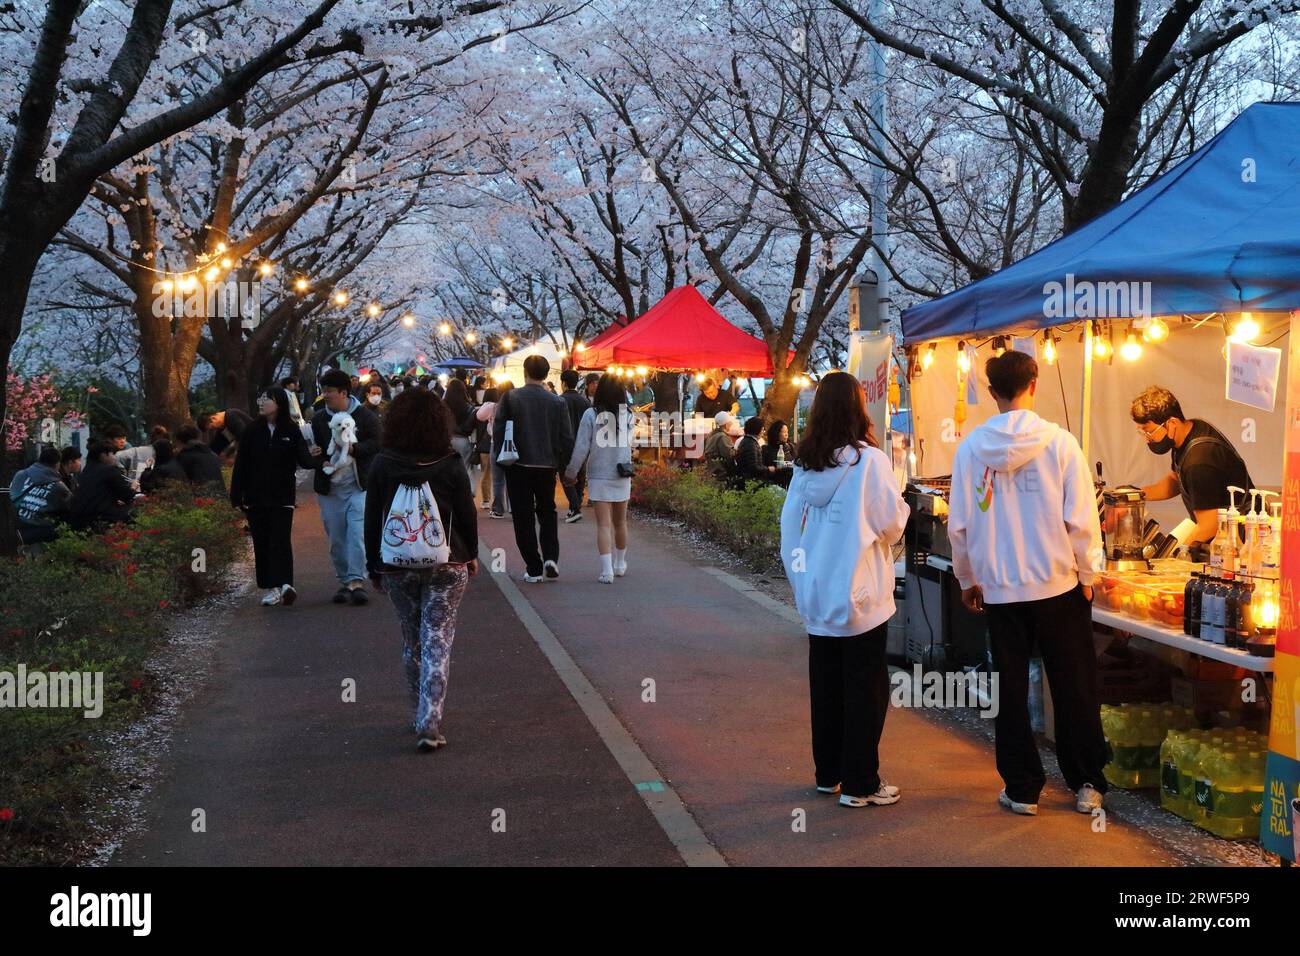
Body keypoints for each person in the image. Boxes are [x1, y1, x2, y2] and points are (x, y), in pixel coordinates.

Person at [949, 350, 1107, 817]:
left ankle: (1022, 789)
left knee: (1010, 688)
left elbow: (959, 524)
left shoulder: (970, 449)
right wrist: (1088, 573)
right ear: (1033, 384)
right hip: (1057, 584)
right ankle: (1087, 784)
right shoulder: (1061, 444)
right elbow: (1081, 519)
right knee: (1074, 685)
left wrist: (967, 577)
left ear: (993, 391)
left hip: (999, 588)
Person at [780, 371, 909, 808]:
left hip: (818, 593)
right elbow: (891, 525)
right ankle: (861, 783)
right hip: (862, 597)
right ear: (858, 409)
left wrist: (801, 582)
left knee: (826, 686)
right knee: (867, 690)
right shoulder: (869, 462)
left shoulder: (804, 463)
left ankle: (829, 773)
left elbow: (788, 531)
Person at [364, 388, 479, 751]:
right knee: (438, 639)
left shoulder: (383, 463)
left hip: (397, 564)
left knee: (411, 638)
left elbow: (372, 518)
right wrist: (472, 553)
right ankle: (431, 719)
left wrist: (373, 564)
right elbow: (466, 512)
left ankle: (418, 712)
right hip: (448, 561)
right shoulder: (450, 461)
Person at [1130, 386, 1254, 550]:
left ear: (1172, 423)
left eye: (1149, 431)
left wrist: (1175, 553)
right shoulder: (1190, 430)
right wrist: (1137, 495)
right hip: (1219, 535)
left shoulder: (1199, 460)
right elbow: (1176, 480)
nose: (1147, 439)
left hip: (1240, 542)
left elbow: (1209, 526)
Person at [231, 388, 321, 607]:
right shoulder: (252, 430)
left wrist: (317, 457)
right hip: (255, 496)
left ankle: (286, 584)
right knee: (261, 541)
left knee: (280, 540)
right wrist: (236, 494)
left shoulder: (291, 429)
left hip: (282, 495)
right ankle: (271, 587)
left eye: (267, 399)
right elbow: (241, 464)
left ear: (279, 403)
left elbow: (304, 460)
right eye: (260, 398)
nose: (262, 403)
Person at [492, 354, 573, 582]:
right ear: (546, 374)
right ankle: (550, 558)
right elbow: (566, 438)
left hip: (517, 465)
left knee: (523, 516)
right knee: (547, 511)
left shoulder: (511, 398)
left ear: (525, 372)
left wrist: (500, 461)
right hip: (547, 466)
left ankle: (534, 567)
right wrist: (566, 469)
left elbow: (499, 432)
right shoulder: (558, 402)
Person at [310, 368, 381, 605]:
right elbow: (312, 449)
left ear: (343, 392)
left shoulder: (365, 416)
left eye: (329, 391)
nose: (325, 395)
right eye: (323, 391)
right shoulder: (319, 418)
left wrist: (354, 449)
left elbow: (377, 443)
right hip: (330, 488)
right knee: (336, 537)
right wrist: (318, 457)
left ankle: (356, 581)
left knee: (357, 534)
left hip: (359, 486)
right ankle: (343, 580)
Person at [563, 374, 633, 583]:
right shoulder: (628, 414)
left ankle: (606, 571)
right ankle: (620, 564)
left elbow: (582, 447)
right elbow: (630, 445)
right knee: (621, 523)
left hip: (599, 474)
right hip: (622, 473)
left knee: (603, 524)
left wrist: (571, 472)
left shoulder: (590, 414)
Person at [69, 440, 137, 531]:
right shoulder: (110, 470)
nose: (114, 457)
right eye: (112, 454)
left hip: (81, 520)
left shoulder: (85, 472)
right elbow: (127, 495)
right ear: (103, 455)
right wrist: (133, 486)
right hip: (101, 518)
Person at [10, 446, 72, 547]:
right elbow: (69, 508)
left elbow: (11, 494)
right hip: (39, 530)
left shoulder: (20, 474)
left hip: (15, 523)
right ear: (57, 464)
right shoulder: (59, 487)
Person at [559, 368, 591, 523]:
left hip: (564, 444)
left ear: (563, 383)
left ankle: (575, 507)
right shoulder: (585, 401)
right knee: (580, 475)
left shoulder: (559, 400)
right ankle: (575, 507)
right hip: (583, 443)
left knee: (566, 475)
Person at [488, 380, 514, 518]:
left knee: (498, 480)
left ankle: (498, 509)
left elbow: (479, 415)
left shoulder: (494, 407)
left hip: (497, 445)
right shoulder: (517, 406)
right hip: (514, 446)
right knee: (513, 478)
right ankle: (514, 507)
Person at [443, 378, 479, 478]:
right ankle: (468, 491)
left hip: (447, 440)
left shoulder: (442, 405)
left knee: (447, 468)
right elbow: (473, 426)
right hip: (464, 440)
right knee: (466, 467)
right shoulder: (470, 407)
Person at [175, 423, 227, 491]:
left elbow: (178, 482)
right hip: (221, 497)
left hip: (202, 498)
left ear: (180, 441)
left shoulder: (184, 457)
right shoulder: (211, 453)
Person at [474, 387, 499, 510]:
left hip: (483, 445)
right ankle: (499, 500)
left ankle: (485, 500)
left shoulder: (480, 409)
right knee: (499, 475)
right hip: (496, 443)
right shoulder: (498, 407)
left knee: (485, 473)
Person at [702, 411, 742, 480]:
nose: (731, 424)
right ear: (725, 424)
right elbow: (730, 454)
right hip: (721, 474)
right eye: (730, 422)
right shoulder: (722, 437)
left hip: (712, 471)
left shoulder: (710, 435)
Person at [762, 419, 796, 488]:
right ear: (776, 433)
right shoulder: (766, 449)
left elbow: (796, 463)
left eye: (787, 432)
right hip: (773, 485)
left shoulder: (790, 447)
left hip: (789, 484)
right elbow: (762, 469)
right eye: (784, 432)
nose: (786, 434)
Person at [733, 416, 767, 483]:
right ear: (757, 430)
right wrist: (768, 469)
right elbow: (753, 467)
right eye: (762, 430)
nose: (763, 432)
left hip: (748, 479)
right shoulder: (750, 444)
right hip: (751, 482)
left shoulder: (747, 441)